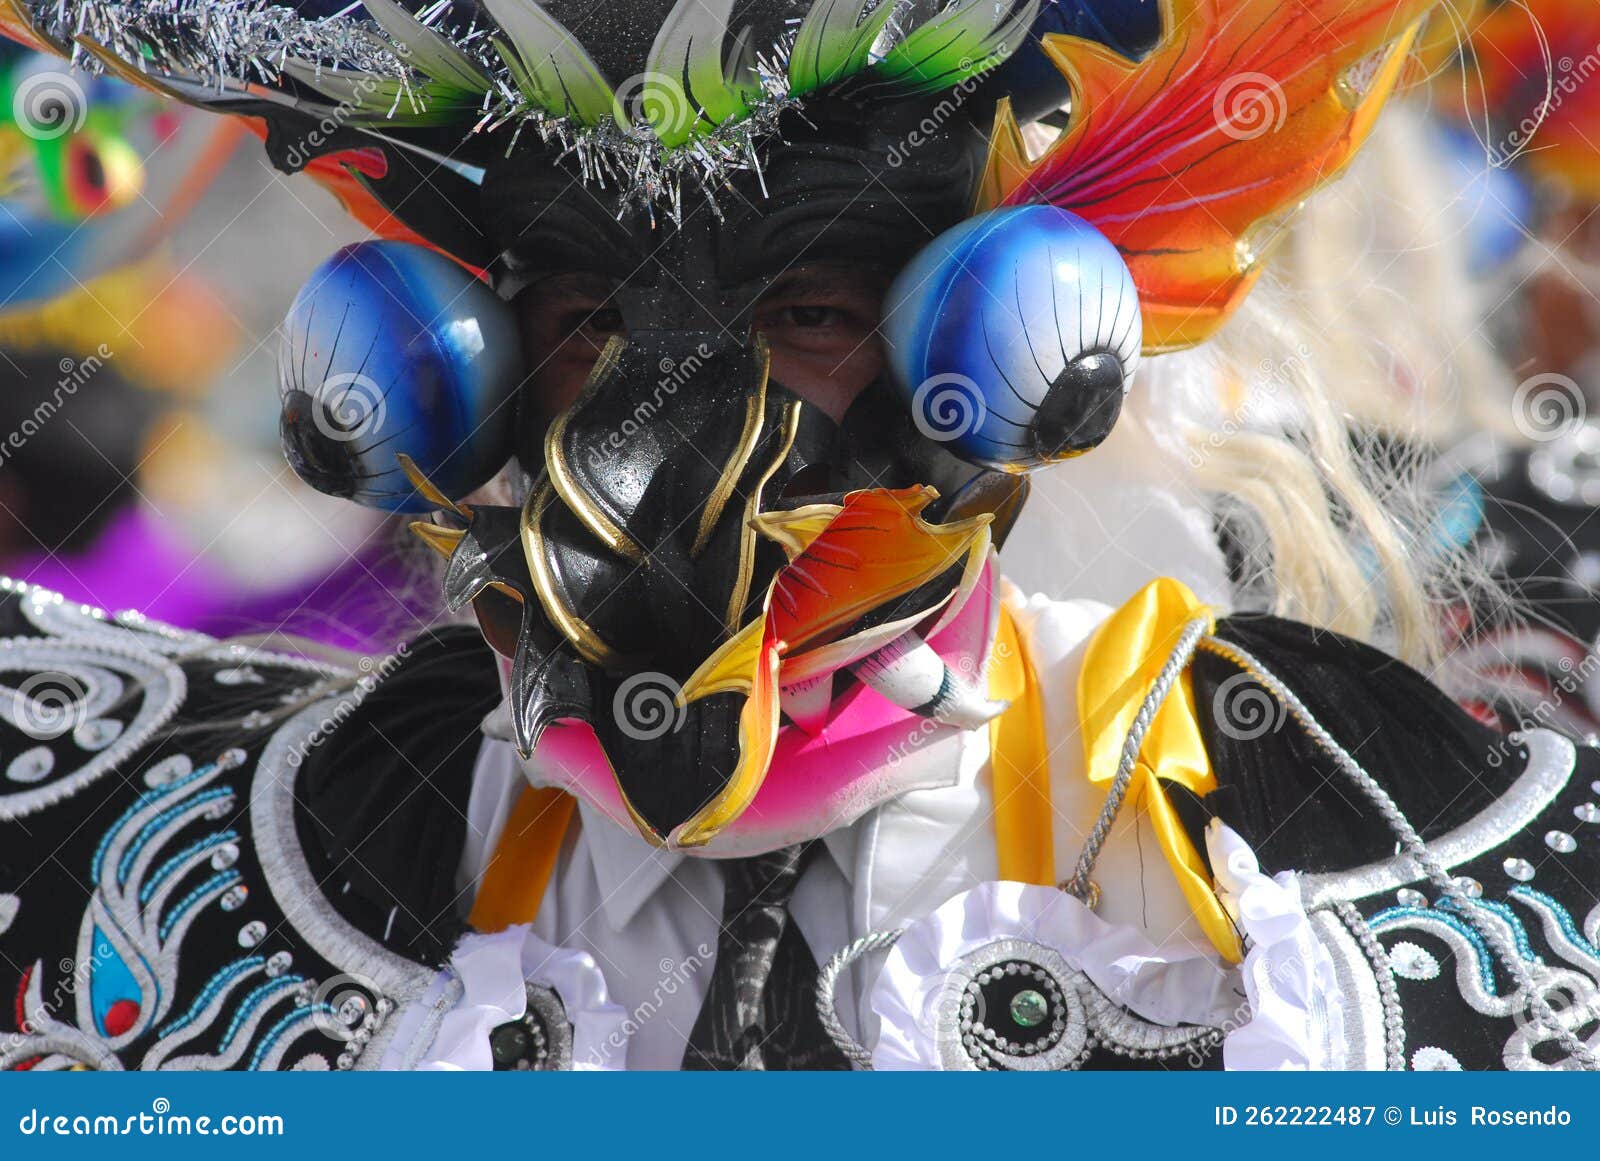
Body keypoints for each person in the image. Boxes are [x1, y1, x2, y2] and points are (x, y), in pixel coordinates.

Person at [2, 0, 1596, 1073]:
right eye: (580, 325)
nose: (656, 442)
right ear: (460, 367)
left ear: (987, 342)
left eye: (805, 314)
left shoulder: (1297, 825)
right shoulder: (299, 848)